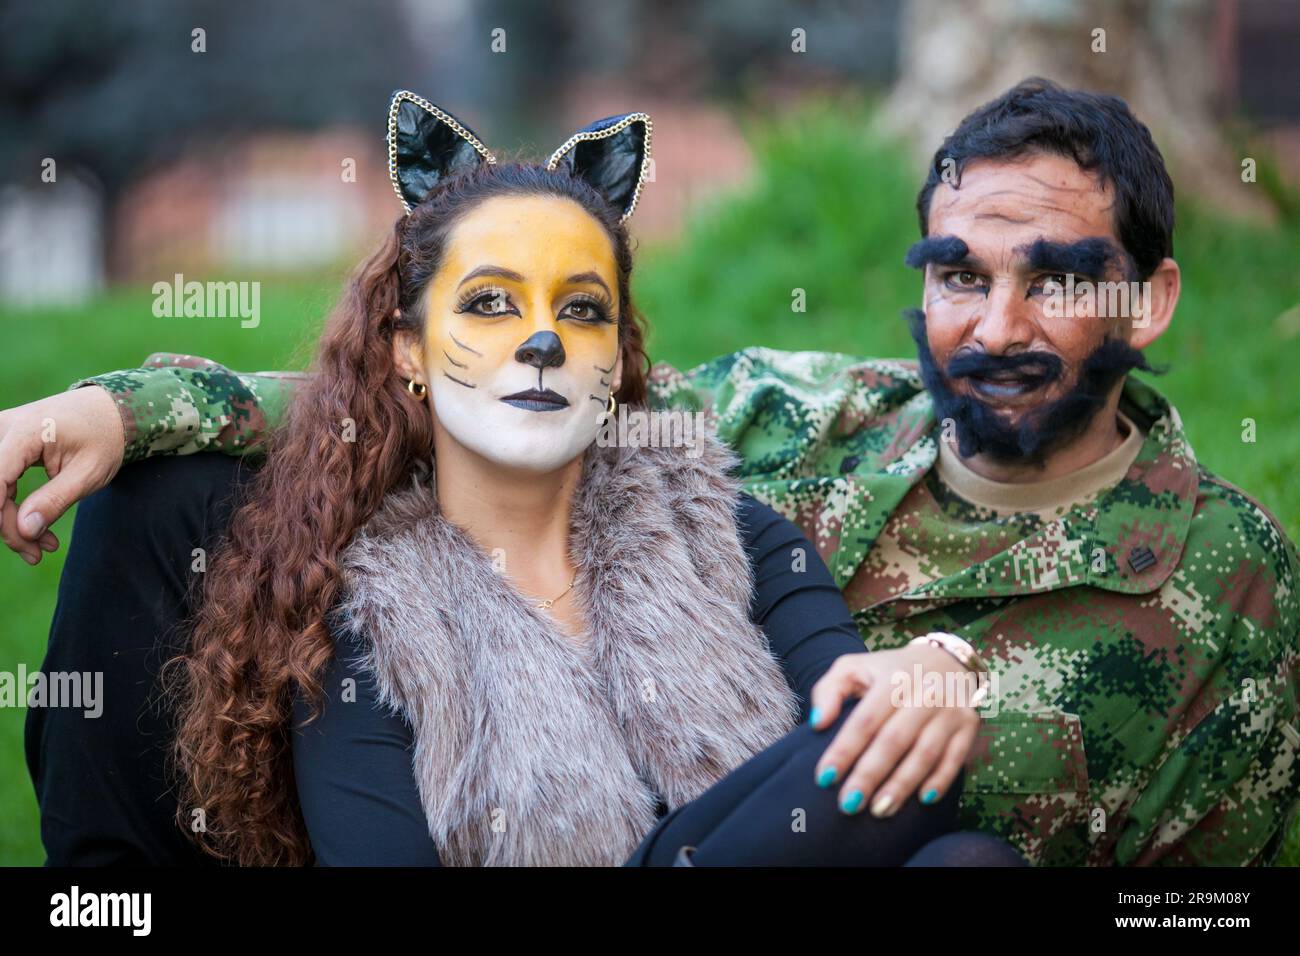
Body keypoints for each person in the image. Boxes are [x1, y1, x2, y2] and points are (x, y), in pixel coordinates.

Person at [7, 79, 1298, 866]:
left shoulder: (1235, 589)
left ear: (1152, 296)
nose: (998, 327)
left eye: (1058, 280)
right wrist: (128, 404)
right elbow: (504, 399)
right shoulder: (804, 415)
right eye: (961, 275)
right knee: (169, 488)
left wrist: (939, 691)